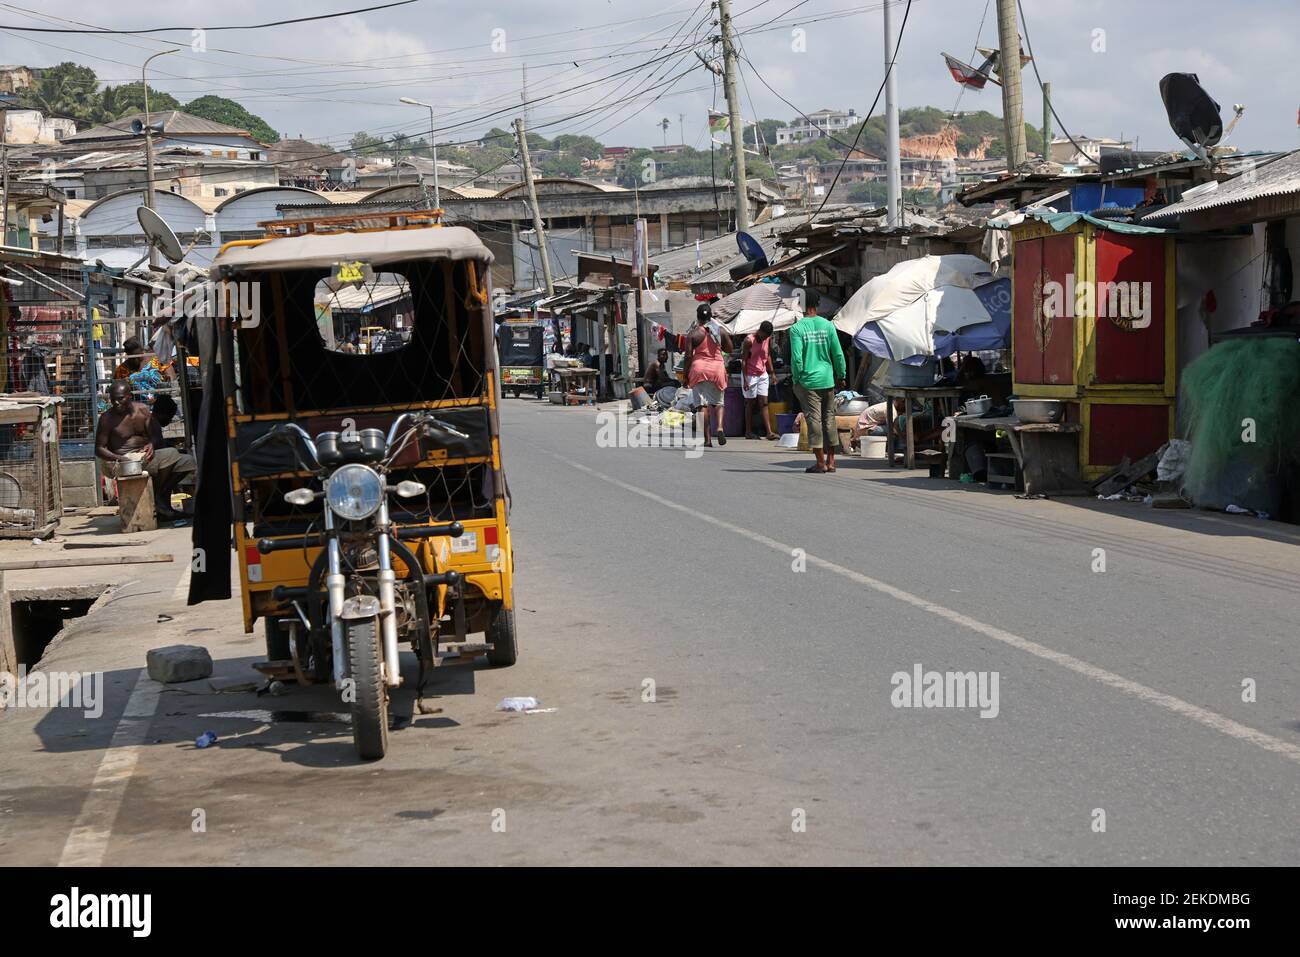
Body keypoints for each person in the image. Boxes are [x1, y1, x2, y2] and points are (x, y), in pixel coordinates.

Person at [96, 380, 195, 521]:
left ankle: (159, 497)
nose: (116, 403)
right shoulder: (107, 418)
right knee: (172, 453)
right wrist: (119, 458)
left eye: (120, 398)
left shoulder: (142, 410)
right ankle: (159, 500)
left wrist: (151, 444)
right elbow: (99, 449)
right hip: (117, 461)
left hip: (141, 458)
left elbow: (155, 437)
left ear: (129, 396)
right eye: (113, 400)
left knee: (188, 461)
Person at [789, 289, 846, 473]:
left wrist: (797, 378)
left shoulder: (796, 329)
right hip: (827, 379)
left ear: (801, 306)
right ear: (817, 305)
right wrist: (841, 374)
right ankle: (831, 461)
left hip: (808, 381)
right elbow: (837, 354)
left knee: (814, 420)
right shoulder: (828, 326)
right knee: (829, 418)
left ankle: (820, 462)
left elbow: (797, 359)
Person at [682, 302, 733, 447]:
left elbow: (687, 357)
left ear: (698, 317)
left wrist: (685, 376)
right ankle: (720, 427)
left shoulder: (693, 333)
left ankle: (707, 439)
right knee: (718, 403)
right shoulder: (720, 331)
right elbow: (729, 349)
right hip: (717, 368)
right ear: (711, 317)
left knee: (702, 406)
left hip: (699, 370)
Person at [741, 320, 778, 440]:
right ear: (760, 331)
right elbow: (744, 360)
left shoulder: (767, 339)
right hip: (750, 374)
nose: (766, 338)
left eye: (768, 336)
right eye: (765, 335)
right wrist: (746, 379)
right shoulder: (749, 341)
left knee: (764, 402)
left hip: (762, 374)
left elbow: (767, 356)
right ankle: (748, 431)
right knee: (750, 402)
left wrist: (772, 373)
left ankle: (769, 432)